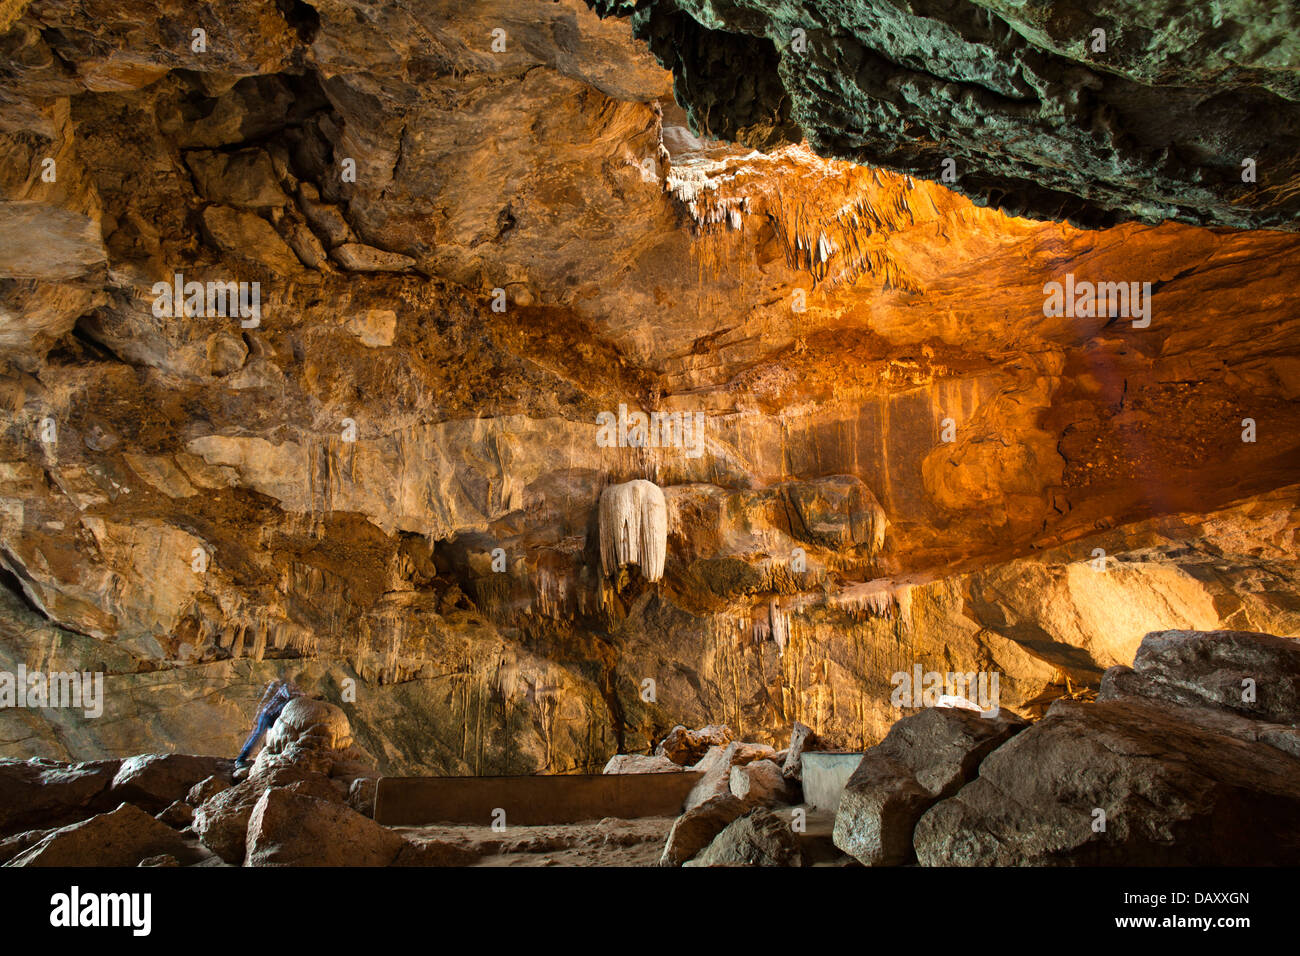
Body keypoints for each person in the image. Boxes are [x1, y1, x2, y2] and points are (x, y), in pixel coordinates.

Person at [234, 678, 304, 769]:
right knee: (258, 735)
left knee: (276, 737)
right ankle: (240, 759)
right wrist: (304, 695)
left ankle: (266, 760)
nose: (298, 687)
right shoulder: (286, 687)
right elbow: (288, 694)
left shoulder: (296, 692)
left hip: (275, 718)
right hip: (267, 715)